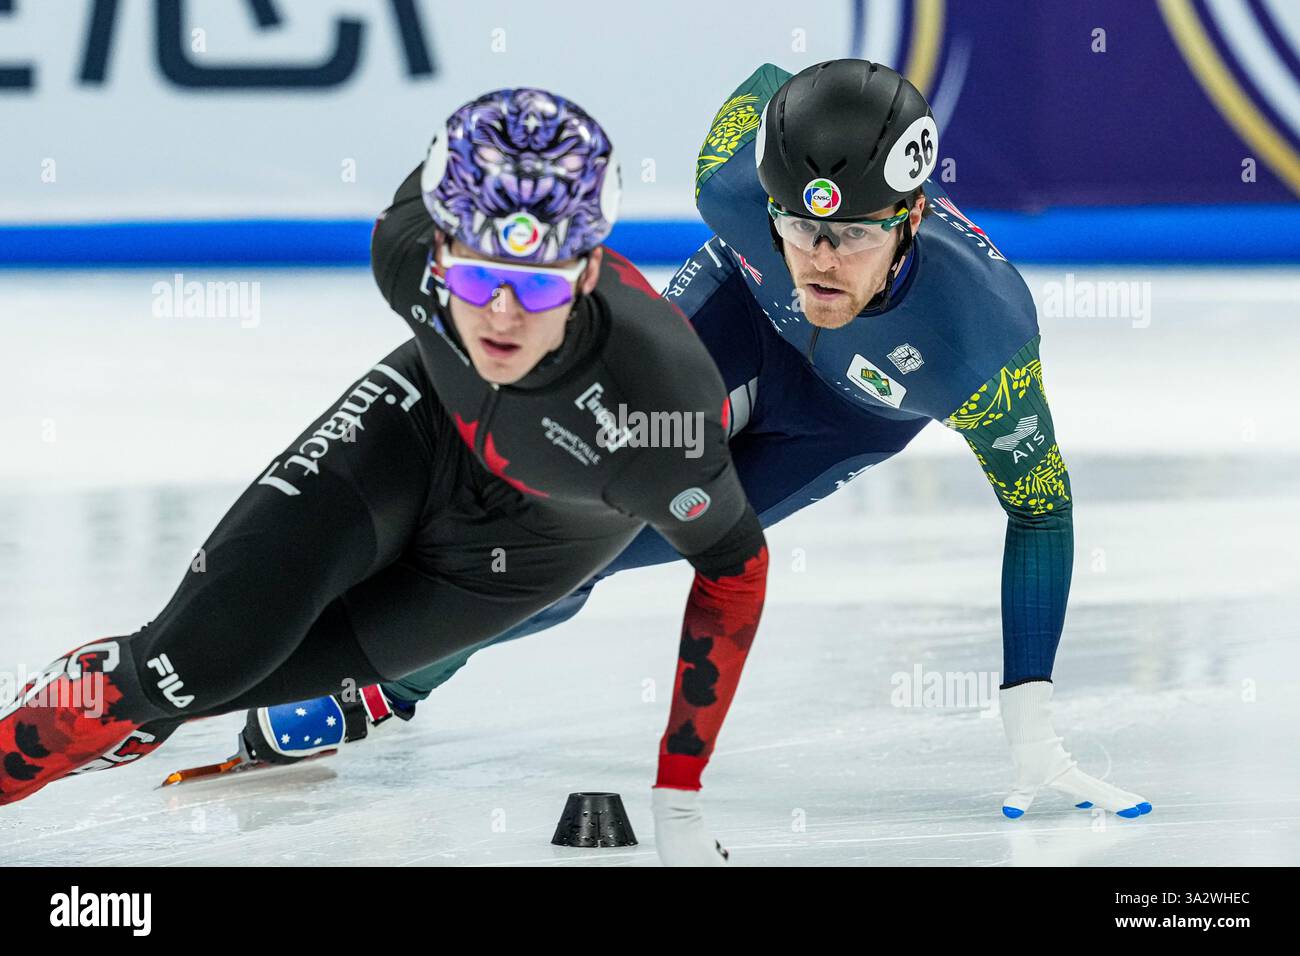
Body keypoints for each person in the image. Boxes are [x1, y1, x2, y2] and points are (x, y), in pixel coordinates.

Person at [245, 60, 1151, 823]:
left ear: (910, 219)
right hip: (738, 316)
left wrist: (1032, 721)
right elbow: (767, 88)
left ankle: (382, 684)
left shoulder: (981, 344)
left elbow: (1042, 512)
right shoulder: (733, 178)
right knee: (571, 502)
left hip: (842, 419)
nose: (819, 261)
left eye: (851, 237)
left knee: (590, 562)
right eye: (797, 225)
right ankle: (364, 659)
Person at [0, 88, 771, 866]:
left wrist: (679, 787)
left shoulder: (660, 412)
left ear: (588, 269)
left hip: (517, 562)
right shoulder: (403, 250)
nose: (501, 317)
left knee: (212, 690)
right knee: (179, 669)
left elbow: (735, 572)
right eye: (474, 280)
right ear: (435, 249)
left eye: (537, 286)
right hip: (418, 428)